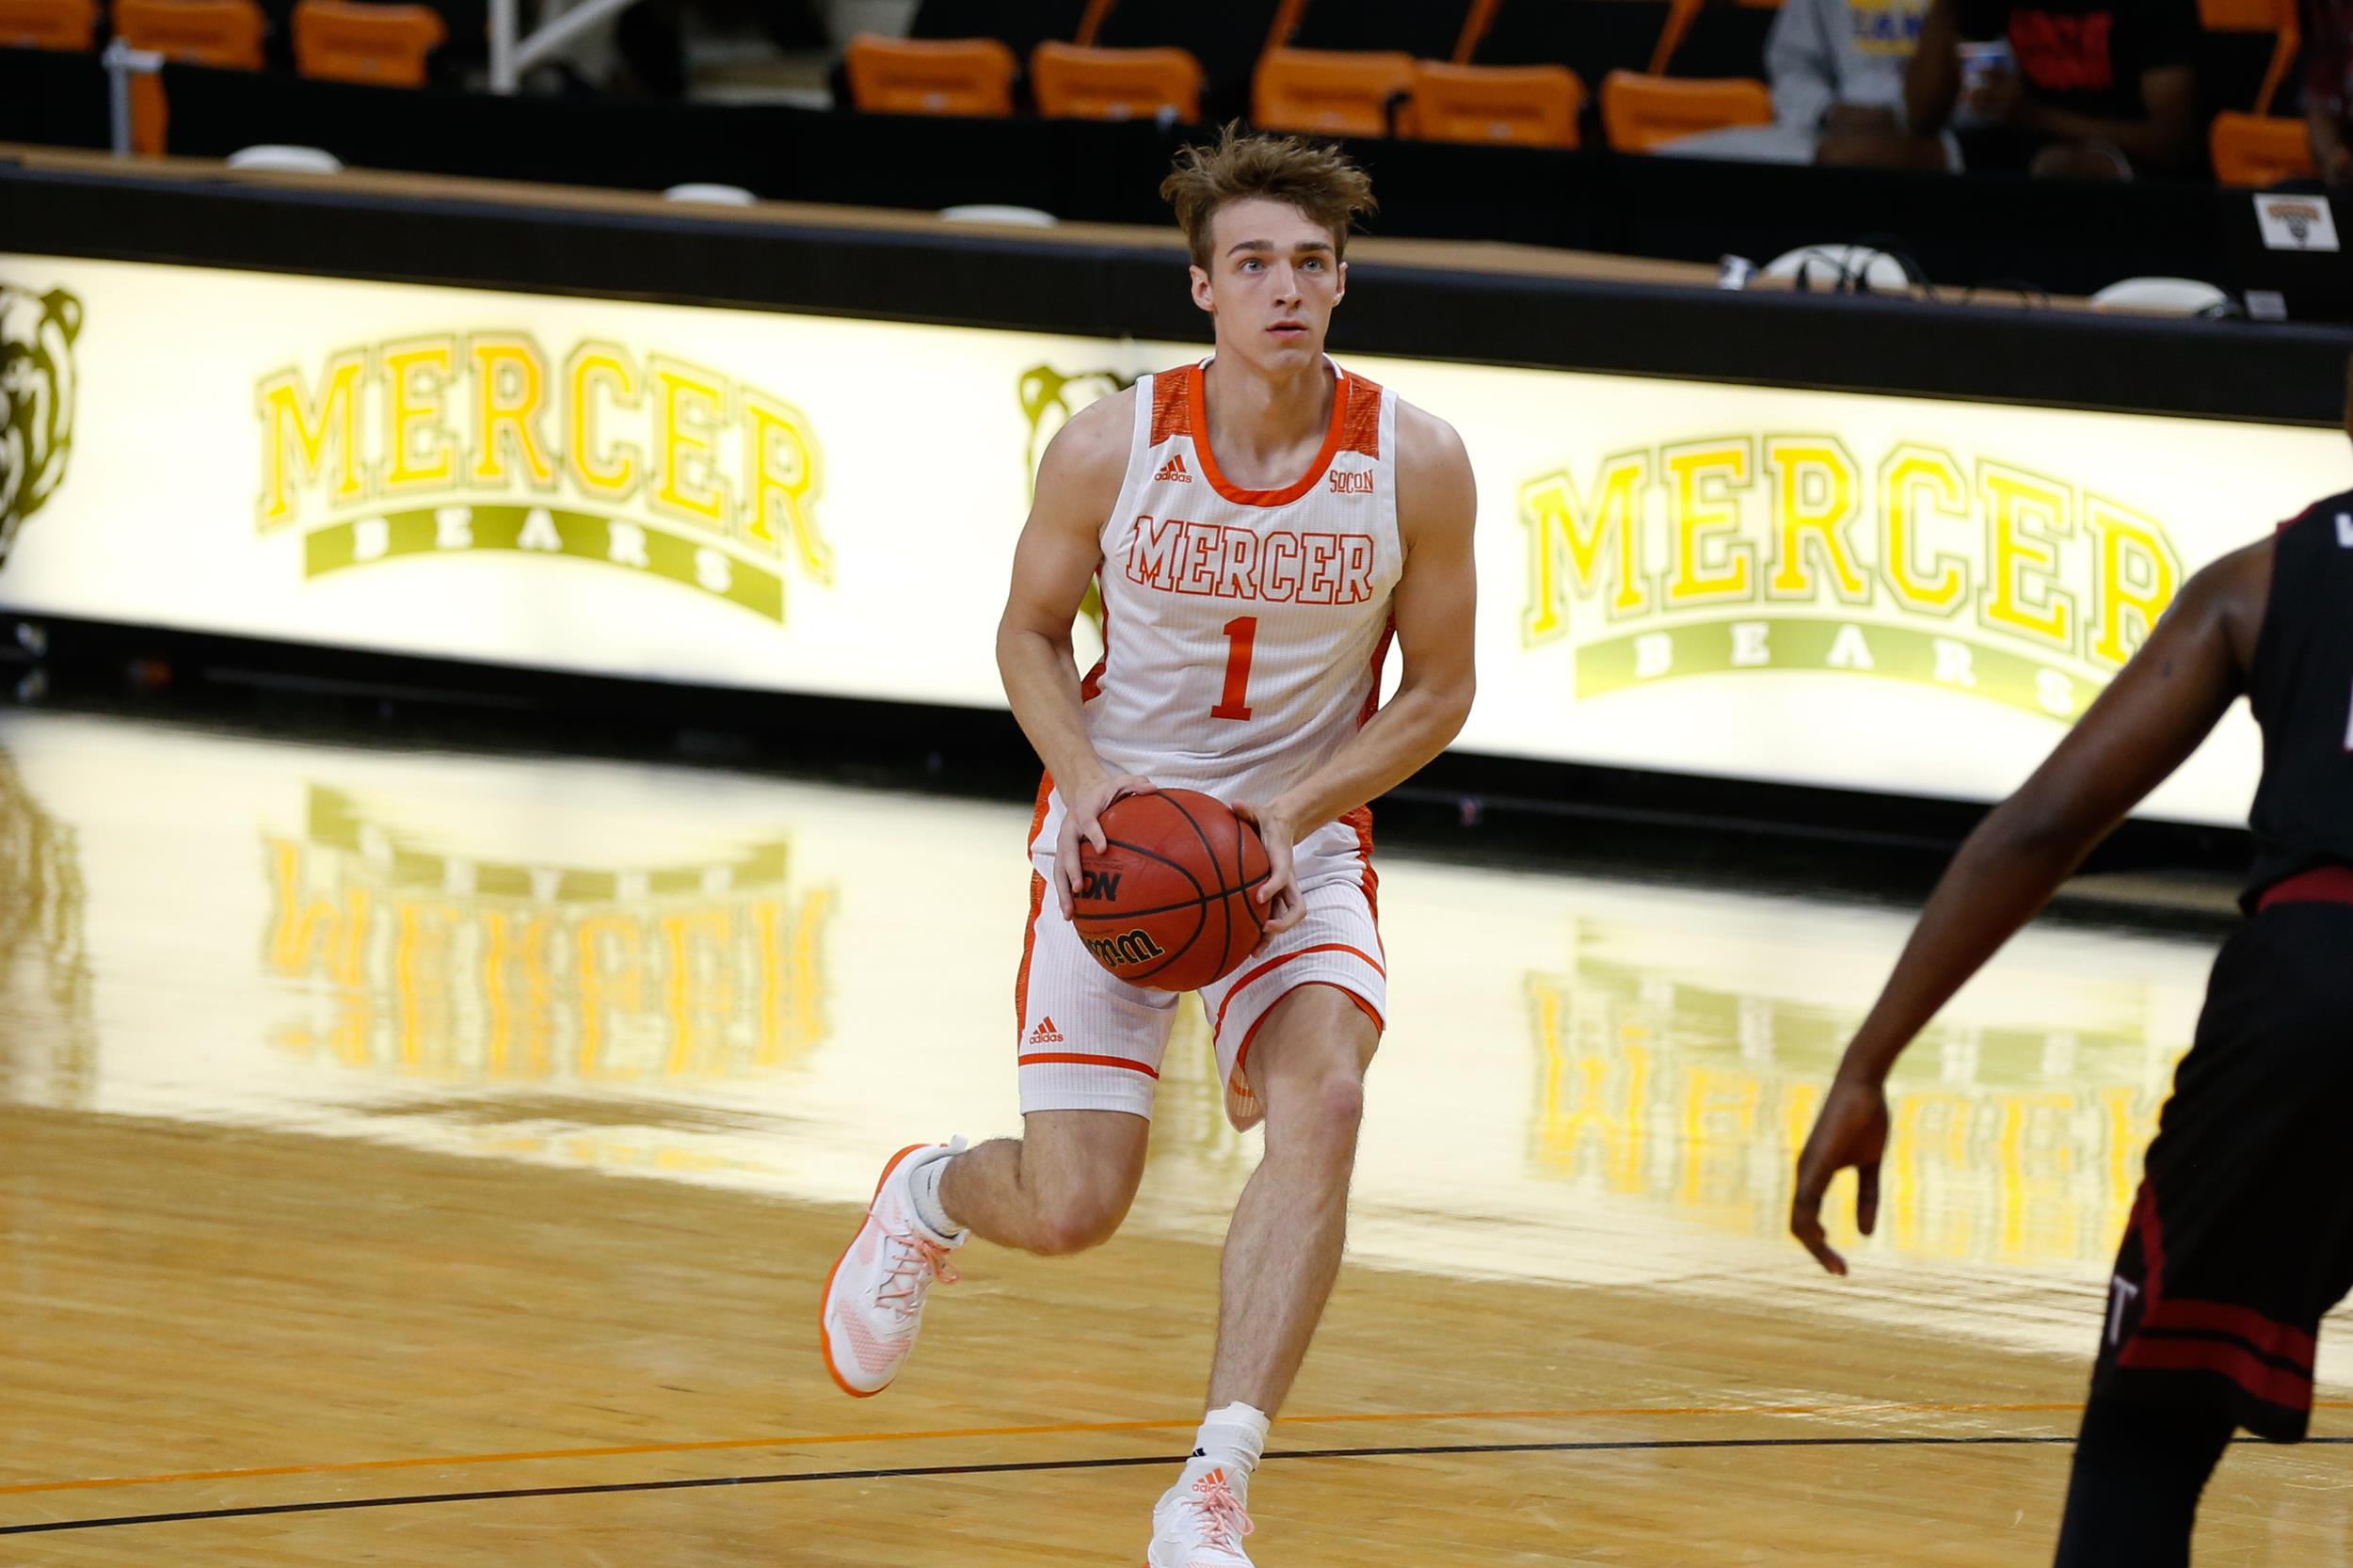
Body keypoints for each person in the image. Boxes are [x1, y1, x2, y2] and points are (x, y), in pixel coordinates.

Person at [819, 126, 1479, 1567]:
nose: (1286, 290)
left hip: (1297, 832)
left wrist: (1288, 816)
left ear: (1342, 283)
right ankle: (930, 1191)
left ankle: (1214, 1486)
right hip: (1123, 832)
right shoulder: (1112, 442)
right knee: (1074, 1208)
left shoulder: (1414, 462)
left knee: (1328, 1104)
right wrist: (1091, 782)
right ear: (1202, 290)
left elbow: (1439, 691)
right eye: (1254, 264)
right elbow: (1028, 635)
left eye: (1311, 264)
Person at [1790, 361, 2353, 1564]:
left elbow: (2042, 829)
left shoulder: (2263, 580)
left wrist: (1865, 1060)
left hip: (2312, 990)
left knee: (2149, 1433)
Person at [1904, 0, 2199, 177]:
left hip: (2127, 154)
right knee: (1871, 153)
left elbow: (2172, 143)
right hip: (2024, 139)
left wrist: (2036, 116)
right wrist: (1945, 9)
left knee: (2062, 165)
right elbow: (1920, 117)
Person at [1659, 0, 1952, 168]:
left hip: (1940, 135)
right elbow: (1792, 65)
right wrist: (1827, 113)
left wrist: (1906, 124)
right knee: (1673, 160)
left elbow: (1986, 77)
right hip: (1829, 133)